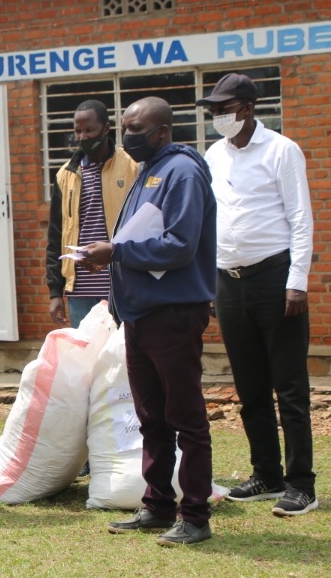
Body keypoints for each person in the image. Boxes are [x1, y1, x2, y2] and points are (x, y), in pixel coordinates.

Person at [81, 96, 217, 546]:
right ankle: (158, 504)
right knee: (151, 418)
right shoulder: (148, 171)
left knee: (186, 417)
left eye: (136, 128)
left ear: (162, 130)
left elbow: (179, 245)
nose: (126, 137)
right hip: (141, 315)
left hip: (173, 313)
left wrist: (117, 251)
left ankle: (194, 515)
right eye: (123, 127)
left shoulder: (183, 172)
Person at [198, 73, 318, 517]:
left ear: (247, 108)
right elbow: (213, 219)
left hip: (275, 278)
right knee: (249, 387)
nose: (216, 117)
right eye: (213, 110)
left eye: (222, 109)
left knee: (289, 387)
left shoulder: (281, 150)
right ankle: (266, 474)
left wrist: (297, 281)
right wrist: (208, 282)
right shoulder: (214, 154)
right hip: (228, 280)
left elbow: (300, 217)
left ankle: (301, 483)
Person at [46, 99, 139, 328]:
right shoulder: (65, 175)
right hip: (80, 288)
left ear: (106, 129)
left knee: (123, 355)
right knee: (87, 356)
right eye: (78, 131)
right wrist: (55, 292)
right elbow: (56, 235)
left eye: (89, 130)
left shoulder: (132, 166)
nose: (82, 136)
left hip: (122, 283)